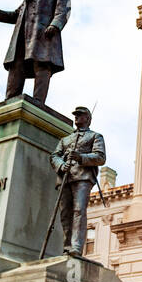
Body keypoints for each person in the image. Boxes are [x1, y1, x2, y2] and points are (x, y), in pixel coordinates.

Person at [0, 0, 70, 104]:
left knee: (42, 64)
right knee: (16, 65)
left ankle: (38, 101)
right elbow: (17, 15)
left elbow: (63, 11)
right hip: (22, 37)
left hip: (42, 33)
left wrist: (55, 25)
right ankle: (10, 99)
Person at [49, 106, 106, 257]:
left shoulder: (95, 136)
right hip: (65, 178)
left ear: (87, 118)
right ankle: (67, 247)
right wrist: (61, 164)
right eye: (75, 115)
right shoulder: (65, 140)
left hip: (83, 177)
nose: (76, 118)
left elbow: (100, 157)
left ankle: (76, 246)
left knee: (79, 211)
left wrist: (80, 157)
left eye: (80, 115)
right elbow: (54, 156)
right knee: (65, 214)